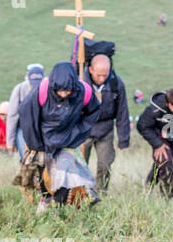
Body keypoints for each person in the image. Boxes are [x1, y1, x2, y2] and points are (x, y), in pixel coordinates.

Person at [15, 61, 106, 211]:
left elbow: (92, 113)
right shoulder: (42, 91)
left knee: (67, 171)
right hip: (42, 139)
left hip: (67, 139)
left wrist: (75, 134)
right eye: (60, 91)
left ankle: (69, 202)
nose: (64, 94)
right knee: (44, 176)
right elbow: (28, 118)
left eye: (68, 91)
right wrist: (36, 146)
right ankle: (46, 203)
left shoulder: (84, 92)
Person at [80, 52, 130, 192]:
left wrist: (123, 139)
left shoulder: (116, 83)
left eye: (105, 75)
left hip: (105, 129)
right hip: (84, 129)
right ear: (90, 69)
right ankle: (80, 192)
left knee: (105, 164)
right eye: (98, 75)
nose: (102, 78)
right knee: (80, 163)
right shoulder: (81, 81)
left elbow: (122, 111)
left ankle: (101, 193)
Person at [6, 64, 44, 157]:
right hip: (23, 130)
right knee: (26, 157)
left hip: (42, 130)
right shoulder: (19, 89)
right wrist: (10, 141)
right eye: (33, 83)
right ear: (28, 78)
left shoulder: (47, 89)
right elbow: (12, 116)